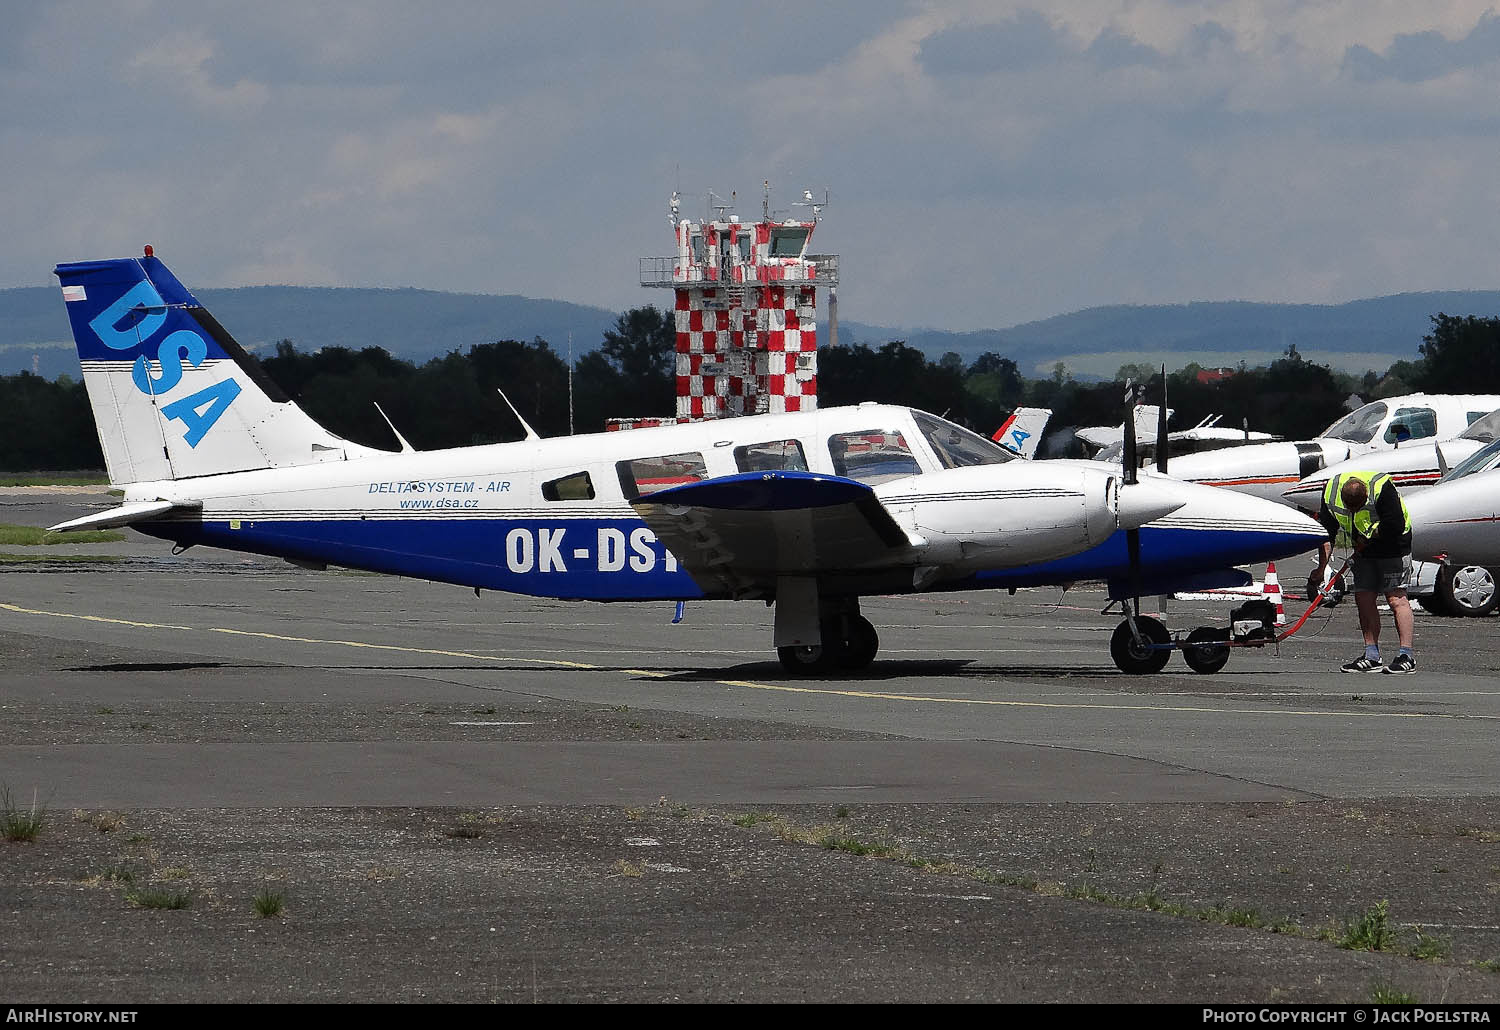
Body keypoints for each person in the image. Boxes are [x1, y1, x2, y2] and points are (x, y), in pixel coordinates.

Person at [1308, 471, 1415, 674]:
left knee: (1396, 598)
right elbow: (1327, 534)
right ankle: (1371, 655)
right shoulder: (1331, 491)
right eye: (1351, 508)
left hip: (1394, 546)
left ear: (1366, 496)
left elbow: (1395, 525)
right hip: (1363, 551)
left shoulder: (1382, 488)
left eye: (1359, 507)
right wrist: (1321, 569)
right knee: (1363, 597)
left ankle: (1406, 656)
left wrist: (1369, 537)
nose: (1354, 511)